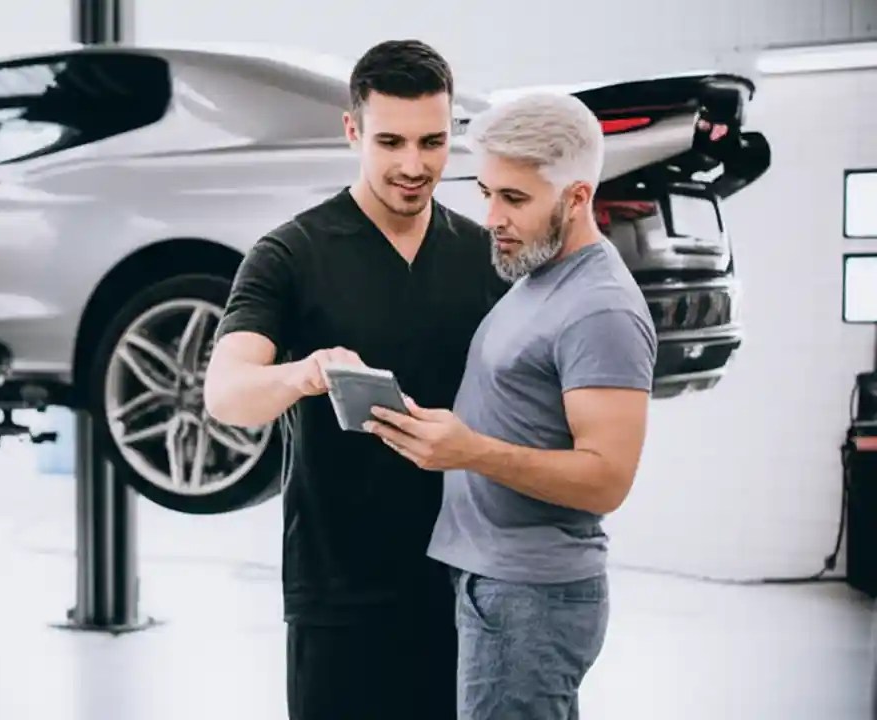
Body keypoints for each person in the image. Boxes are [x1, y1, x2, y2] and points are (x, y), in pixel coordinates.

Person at [203, 39, 509, 720]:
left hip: (466, 589)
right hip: (337, 594)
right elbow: (227, 394)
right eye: (390, 142)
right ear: (352, 131)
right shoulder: (290, 254)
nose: (413, 165)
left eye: (432, 142)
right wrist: (303, 375)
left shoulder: (484, 258)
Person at [364, 91, 659, 719]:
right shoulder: (537, 275)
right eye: (488, 192)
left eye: (515, 199)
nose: (493, 216)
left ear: (578, 197)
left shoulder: (600, 307)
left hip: (532, 598)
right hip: (496, 586)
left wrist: (471, 451)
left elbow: (607, 479)